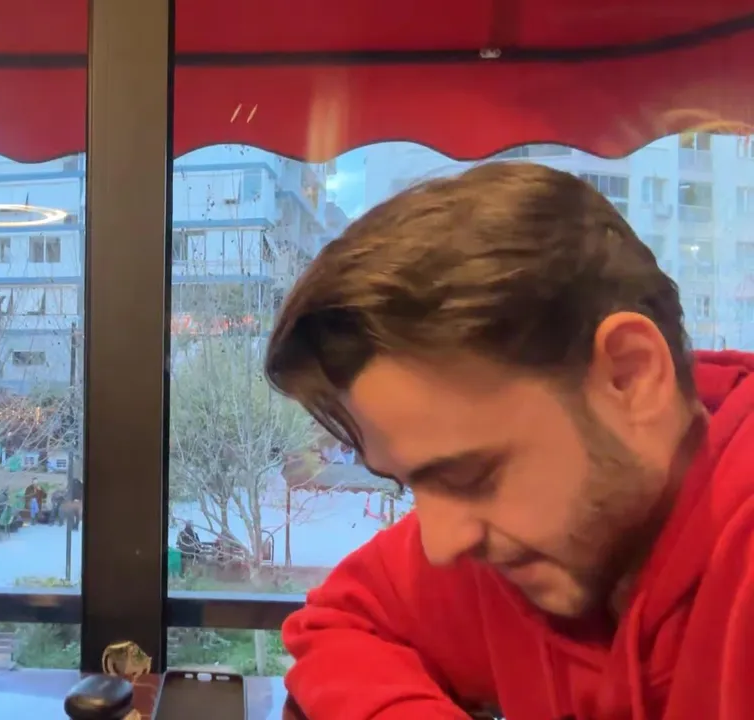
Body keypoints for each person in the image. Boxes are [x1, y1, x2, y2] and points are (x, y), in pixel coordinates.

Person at [265, 163, 754, 719]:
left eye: (470, 476)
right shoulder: (526, 549)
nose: (441, 546)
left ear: (630, 377)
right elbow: (341, 621)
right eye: (408, 485)